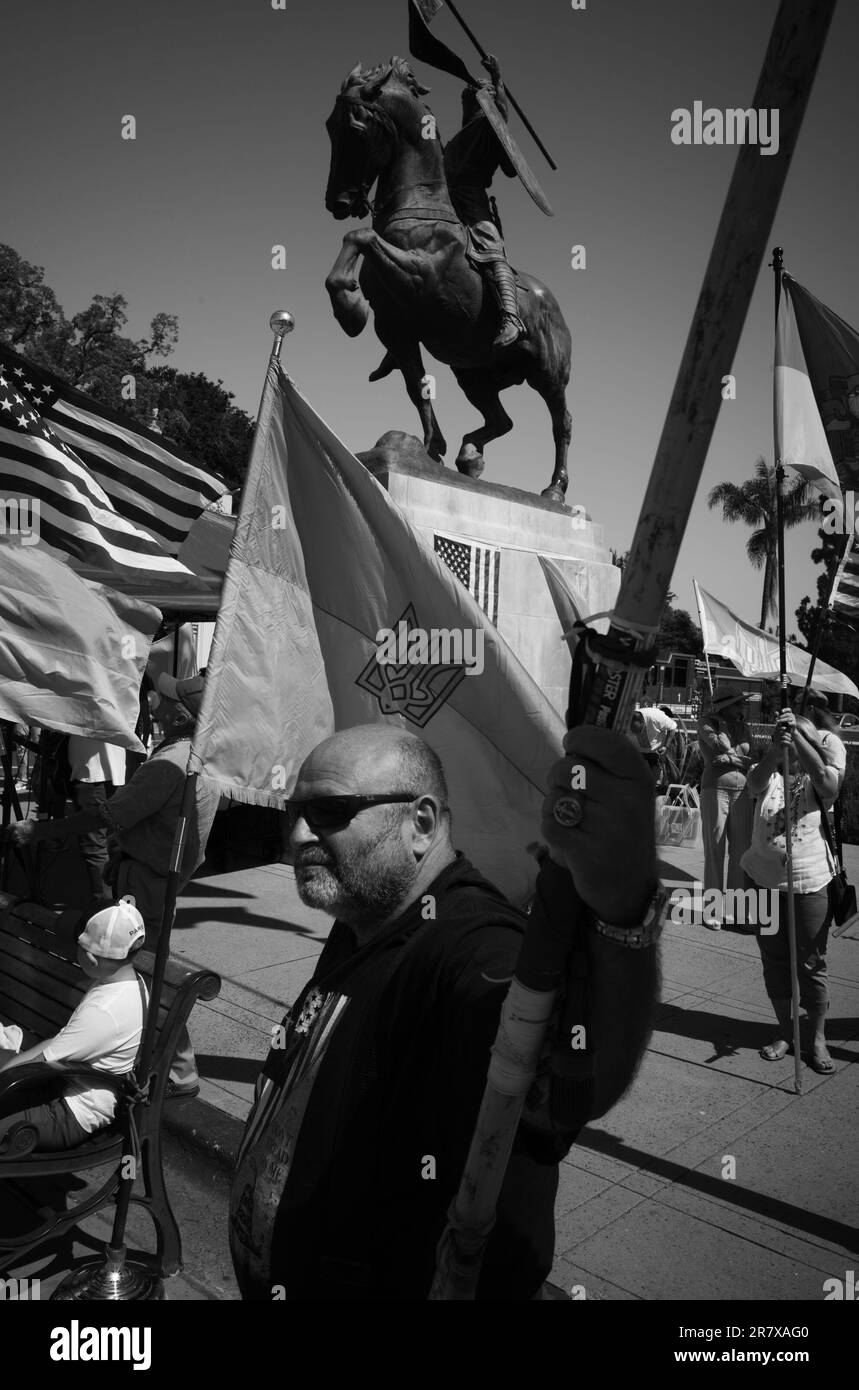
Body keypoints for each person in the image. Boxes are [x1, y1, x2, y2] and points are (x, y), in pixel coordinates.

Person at [228, 723, 661, 1301]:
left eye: (330, 810)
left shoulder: (472, 942)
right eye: (296, 812)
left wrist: (623, 913)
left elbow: (565, 1086)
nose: (300, 834)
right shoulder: (365, 914)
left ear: (421, 824)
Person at [10, 673, 220, 1098]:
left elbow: (108, 816)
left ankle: (179, 1072)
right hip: (153, 878)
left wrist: (38, 831)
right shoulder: (194, 755)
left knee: (140, 974)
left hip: (146, 883)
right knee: (143, 971)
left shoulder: (171, 763)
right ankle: (172, 1067)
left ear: (181, 715)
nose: (153, 702)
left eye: (164, 699)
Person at [742, 710, 845, 1073]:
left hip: (810, 883)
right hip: (762, 881)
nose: (788, 743)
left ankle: (815, 1038)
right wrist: (774, 749)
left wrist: (798, 738)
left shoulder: (819, 778)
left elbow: (828, 784)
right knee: (773, 960)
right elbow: (753, 784)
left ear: (811, 744)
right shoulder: (768, 775)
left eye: (796, 738)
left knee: (812, 964)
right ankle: (786, 1031)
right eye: (783, 735)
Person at [0, 899, 147, 1152]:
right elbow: (58, 1045)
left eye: (75, 944)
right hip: (61, 1082)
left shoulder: (104, 1011)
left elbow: (31, 1066)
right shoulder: (125, 982)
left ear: (90, 957)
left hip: (71, 1113)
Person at [443, 54, 527, 349]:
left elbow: (501, 123)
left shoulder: (489, 131)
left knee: (490, 248)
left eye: (475, 99)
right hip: (445, 199)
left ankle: (511, 317)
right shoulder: (455, 140)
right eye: (467, 99)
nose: (469, 103)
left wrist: (498, 82)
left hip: (471, 198)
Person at [697, 690, 753, 919]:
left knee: (741, 852)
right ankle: (712, 911)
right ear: (726, 706)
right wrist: (720, 725)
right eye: (738, 703)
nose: (742, 708)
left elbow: (749, 758)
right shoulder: (706, 724)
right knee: (715, 848)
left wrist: (730, 759)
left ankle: (737, 912)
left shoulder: (743, 727)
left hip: (743, 791)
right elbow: (720, 746)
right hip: (715, 788)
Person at [67, 736, 127, 909]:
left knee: (96, 847)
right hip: (107, 770)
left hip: (93, 773)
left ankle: (105, 911)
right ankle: (114, 906)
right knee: (111, 843)